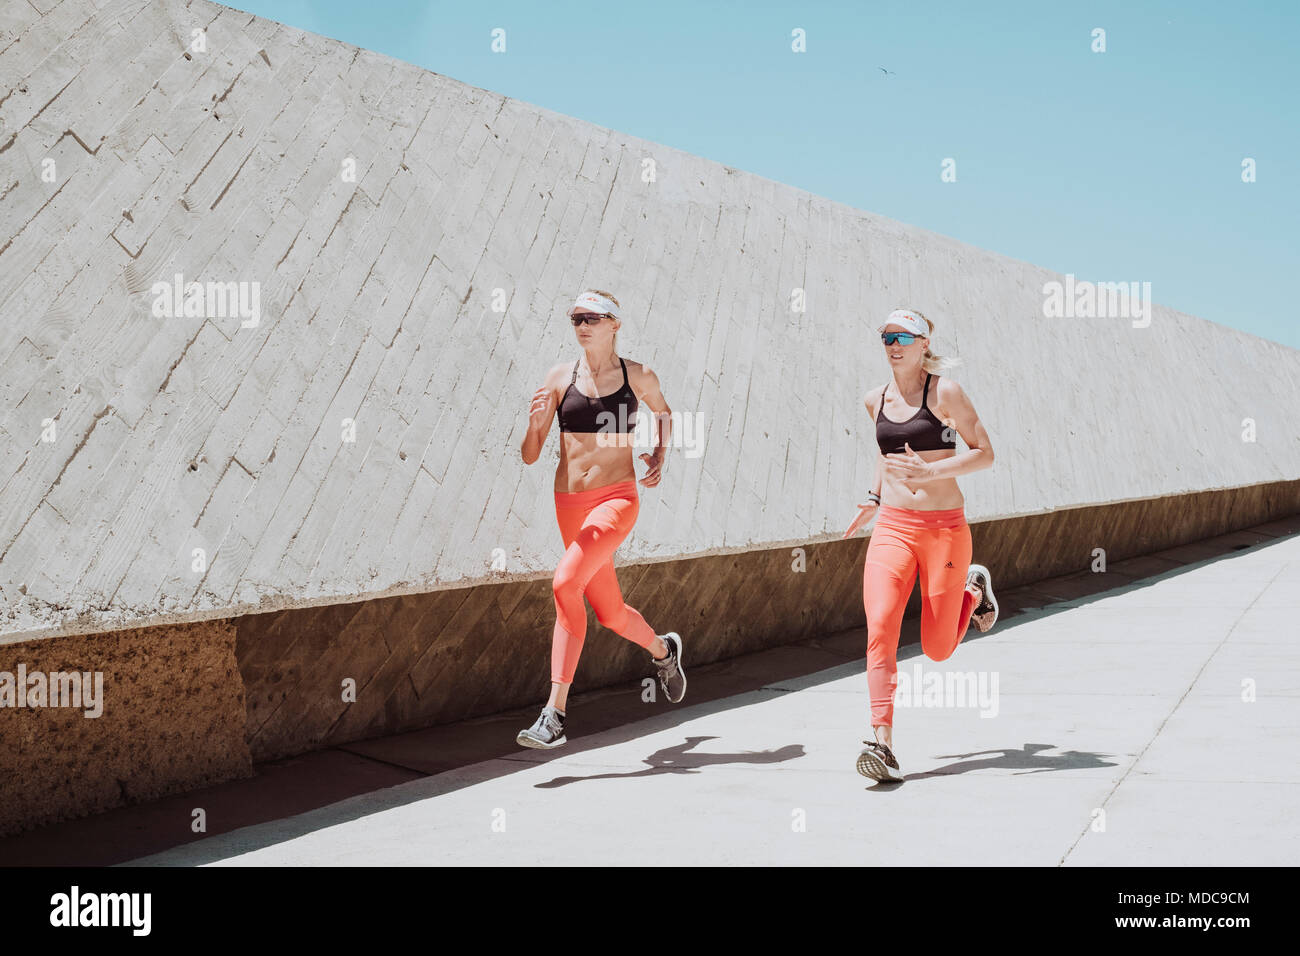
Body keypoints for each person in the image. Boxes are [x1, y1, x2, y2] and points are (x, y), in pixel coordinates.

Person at [516, 289, 685, 749]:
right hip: (569, 502)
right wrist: (534, 427)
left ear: (615, 324)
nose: (583, 325)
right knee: (609, 612)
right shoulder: (558, 378)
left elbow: (665, 412)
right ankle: (664, 650)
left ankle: (554, 714)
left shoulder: (638, 376)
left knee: (564, 583)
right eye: (576, 319)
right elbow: (531, 456)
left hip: (617, 499)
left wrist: (659, 455)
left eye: (592, 317)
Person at [842, 308, 999, 781]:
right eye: (887, 336)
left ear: (923, 343)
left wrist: (932, 471)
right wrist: (874, 496)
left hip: (945, 531)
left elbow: (984, 453)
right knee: (881, 629)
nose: (894, 344)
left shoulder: (944, 392)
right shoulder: (875, 399)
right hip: (892, 527)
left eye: (904, 337)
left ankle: (973, 592)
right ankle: (881, 742)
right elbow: (885, 452)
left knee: (936, 649)